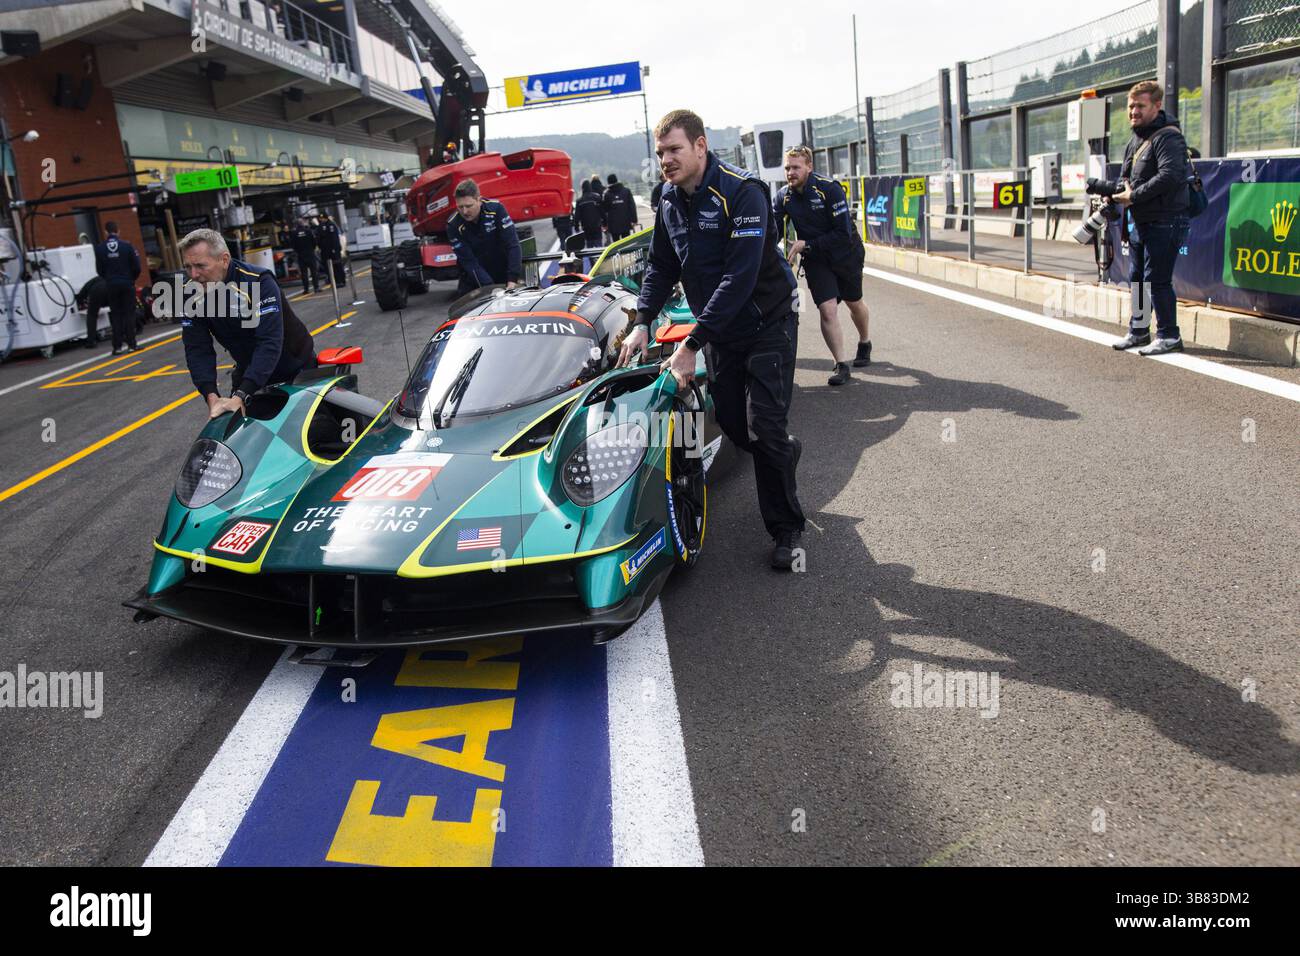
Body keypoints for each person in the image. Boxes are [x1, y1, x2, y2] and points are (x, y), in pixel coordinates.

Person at [617, 109, 806, 570]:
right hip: (722, 332)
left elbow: (740, 278)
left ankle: (786, 530)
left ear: (700, 146)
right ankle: (782, 448)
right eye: (660, 152)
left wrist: (691, 344)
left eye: (674, 149)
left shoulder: (744, 192)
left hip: (767, 323)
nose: (665, 159)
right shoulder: (666, 198)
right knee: (736, 428)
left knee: (763, 426)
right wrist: (643, 319)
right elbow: (661, 265)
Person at [177, 228, 316, 420]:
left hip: (295, 367)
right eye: (187, 267)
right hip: (248, 368)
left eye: (200, 266)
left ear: (224, 260)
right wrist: (212, 396)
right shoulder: (189, 293)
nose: (193, 274)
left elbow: (269, 341)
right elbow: (197, 348)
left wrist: (242, 394)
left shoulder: (259, 282)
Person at [775, 145, 872, 385]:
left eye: (796, 167)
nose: (790, 172)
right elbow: (772, 231)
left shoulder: (829, 189)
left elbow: (842, 233)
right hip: (816, 260)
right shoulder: (783, 196)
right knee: (827, 309)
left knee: (854, 302)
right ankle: (841, 365)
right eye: (787, 167)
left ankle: (865, 340)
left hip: (846, 253)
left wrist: (805, 243)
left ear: (809, 167)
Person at [1110, 79, 1190, 356]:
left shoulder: (1169, 137)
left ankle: (1169, 336)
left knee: (1157, 279)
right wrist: (1118, 191)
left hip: (1166, 219)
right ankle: (1139, 331)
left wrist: (1134, 196)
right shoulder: (1136, 139)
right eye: (1131, 106)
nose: (1134, 111)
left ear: (1157, 106)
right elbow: (1126, 177)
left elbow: (1171, 175)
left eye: (1140, 106)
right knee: (1137, 279)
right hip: (1141, 220)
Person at [446, 178, 522, 295]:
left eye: (469, 206)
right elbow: (469, 261)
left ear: (479, 200)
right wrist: (490, 288)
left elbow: (512, 244)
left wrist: (512, 279)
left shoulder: (496, 210)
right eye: (460, 207)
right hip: (474, 279)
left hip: (504, 272)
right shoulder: (453, 225)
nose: (465, 211)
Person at [92, 221, 141, 355]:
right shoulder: (127, 246)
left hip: (111, 284)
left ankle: (117, 347)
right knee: (129, 314)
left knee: (116, 314)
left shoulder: (100, 248)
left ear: (105, 232)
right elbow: (137, 266)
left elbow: (99, 269)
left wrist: (109, 279)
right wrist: (131, 279)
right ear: (118, 231)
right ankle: (132, 344)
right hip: (127, 283)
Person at [287, 215, 320, 294]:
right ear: (302, 224)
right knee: (314, 272)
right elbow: (314, 242)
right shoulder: (308, 231)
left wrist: (298, 251)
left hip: (301, 255)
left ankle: (306, 289)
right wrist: (312, 249)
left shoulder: (294, 234)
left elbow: (293, 245)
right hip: (310, 254)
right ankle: (316, 288)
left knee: (304, 273)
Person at [602, 173, 637, 242]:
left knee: (616, 245)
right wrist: (634, 220)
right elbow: (632, 206)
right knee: (627, 243)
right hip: (626, 222)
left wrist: (605, 224)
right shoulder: (626, 191)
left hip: (613, 224)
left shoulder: (606, 194)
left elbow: (604, 210)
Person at [314, 211, 343, 288]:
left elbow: (333, 239)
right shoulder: (321, 226)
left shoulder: (331, 225)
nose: (321, 220)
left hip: (332, 249)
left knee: (336, 265)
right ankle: (333, 281)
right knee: (328, 267)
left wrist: (334, 249)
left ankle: (340, 280)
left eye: (322, 218)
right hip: (325, 250)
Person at [574, 179, 604, 249]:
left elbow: (577, 215)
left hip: (586, 227)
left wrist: (576, 227)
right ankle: (599, 258)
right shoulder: (597, 197)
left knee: (589, 247)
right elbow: (602, 211)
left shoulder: (579, 201)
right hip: (597, 226)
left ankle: (591, 259)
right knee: (599, 246)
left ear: (582, 188)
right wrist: (605, 223)